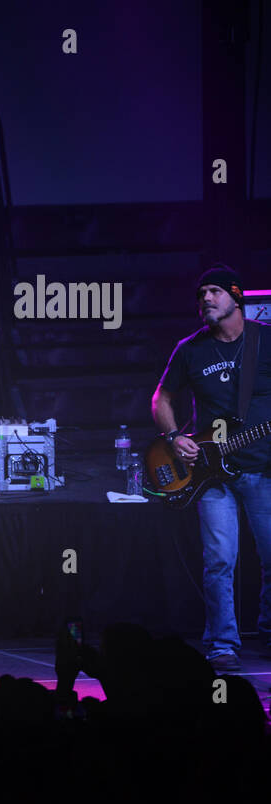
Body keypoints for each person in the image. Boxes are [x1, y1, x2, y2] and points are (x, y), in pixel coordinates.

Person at [153, 264, 271, 673]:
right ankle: (223, 643)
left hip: (262, 466)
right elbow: (161, 398)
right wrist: (173, 438)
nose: (205, 298)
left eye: (215, 291)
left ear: (236, 297)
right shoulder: (191, 349)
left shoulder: (266, 341)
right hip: (209, 472)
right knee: (220, 558)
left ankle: (268, 632)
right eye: (201, 292)